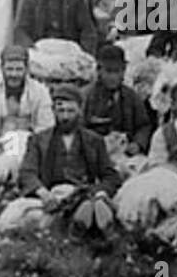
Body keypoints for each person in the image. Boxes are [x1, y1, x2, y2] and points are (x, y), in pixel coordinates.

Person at [18, 84, 122, 216]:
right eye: (61, 111)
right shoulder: (39, 140)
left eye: (71, 111)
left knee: (95, 208)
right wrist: (43, 193)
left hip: (84, 195)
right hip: (50, 196)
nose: (65, 116)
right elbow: (27, 173)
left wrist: (99, 191)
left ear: (80, 110)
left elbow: (110, 176)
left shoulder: (94, 141)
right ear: (53, 111)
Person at [0, 45, 54, 149]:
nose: (14, 74)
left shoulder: (40, 91)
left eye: (19, 69)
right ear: (2, 68)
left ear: (27, 69)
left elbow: (46, 126)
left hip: (31, 147)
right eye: (9, 69)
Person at [83, 43, 152, 155]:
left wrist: (138, 144)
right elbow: (78, 128)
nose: (113, 77)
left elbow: (144, 125)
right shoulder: (86, 96)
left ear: (124, 71)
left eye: (117, 71)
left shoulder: (131, 96)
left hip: (125, 153)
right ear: (99, 70)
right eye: (109, 71)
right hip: (94, 153)